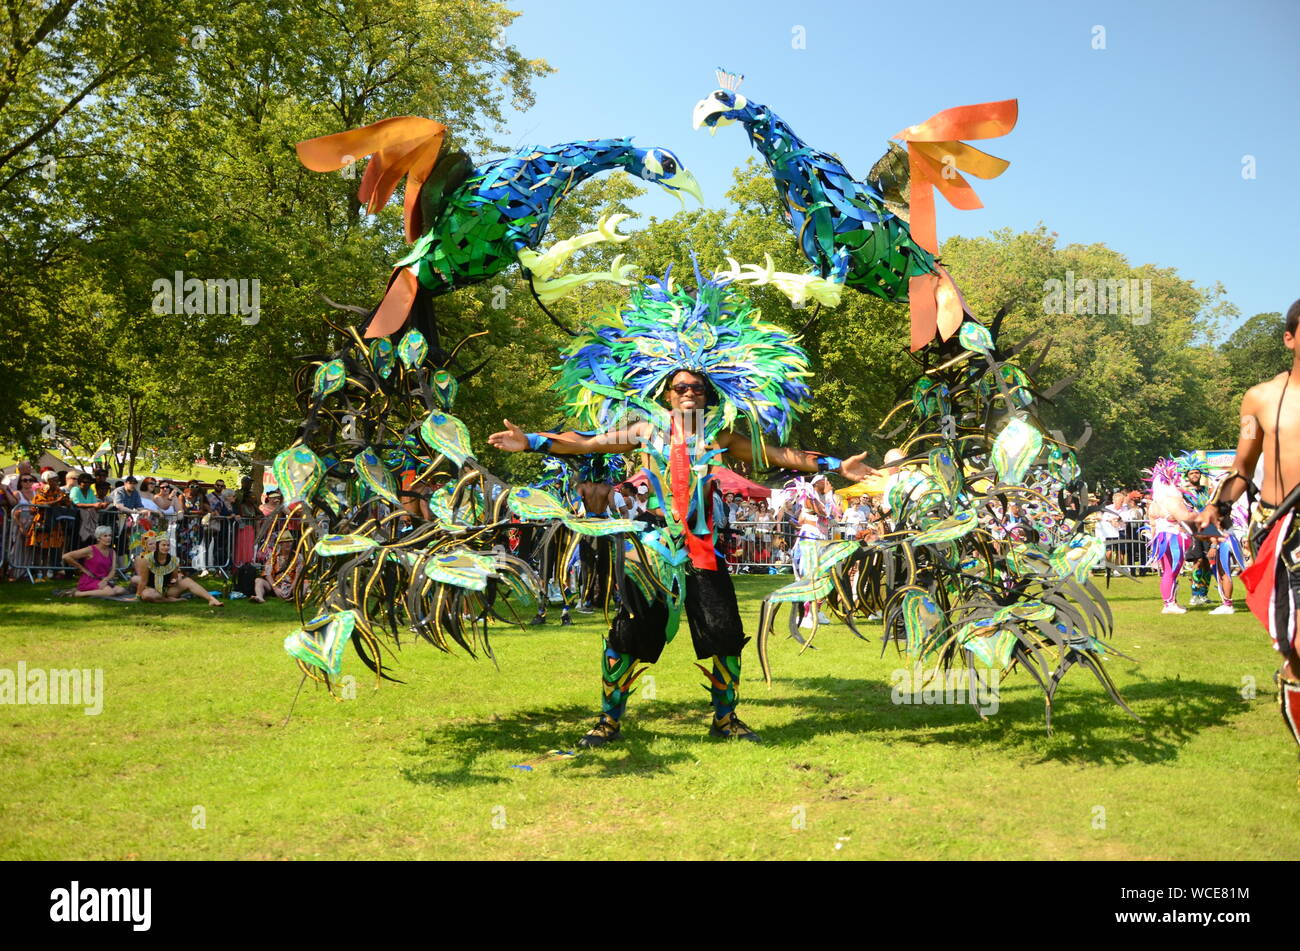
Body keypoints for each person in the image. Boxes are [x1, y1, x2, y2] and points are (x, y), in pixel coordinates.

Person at [489, 273, 875, 747]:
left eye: (697, 386)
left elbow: (780, 456)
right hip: (651, 550)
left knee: (726, 637)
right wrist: (527, 441)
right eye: (680, 386)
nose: (690, 391)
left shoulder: (722, 436)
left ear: (708, 393)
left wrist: (837, 464)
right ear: (666, 393)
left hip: (704, 551)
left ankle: (725, 720)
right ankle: (608, 721)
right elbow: (582, 442)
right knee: (626, 638)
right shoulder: (644, 430)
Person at [1195, 300, 1299, 750]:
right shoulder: (1260, 398)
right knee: (1295, 649)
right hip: (1284, 533)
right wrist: (1217, 506)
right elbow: (1242, 467)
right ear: (1290, 338)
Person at [131, 536, 223, 605]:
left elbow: (174, 577)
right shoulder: (147, 559)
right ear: (158, 546)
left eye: (168, 545)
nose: (166, 547)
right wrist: (137, 596)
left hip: (168, 590)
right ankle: (171, 600)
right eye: (163, 545)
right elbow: (143, 581)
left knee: (187, 581)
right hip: (152, 590)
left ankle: (211, 599)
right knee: (147, 595)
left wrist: (175, 579)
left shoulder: (174, 560)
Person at [62, 525, 129, 598]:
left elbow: (113, 571)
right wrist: (82, 569)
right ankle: (77, 594)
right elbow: (66, 556)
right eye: (105, 536)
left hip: (102, 580)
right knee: (110, 592)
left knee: (121, 590)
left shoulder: (112, 552)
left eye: (110, 535)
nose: (108, 538)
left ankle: (100, 592)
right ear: (98, 538)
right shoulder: (90, 550)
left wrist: (105, 580)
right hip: (90, 580)